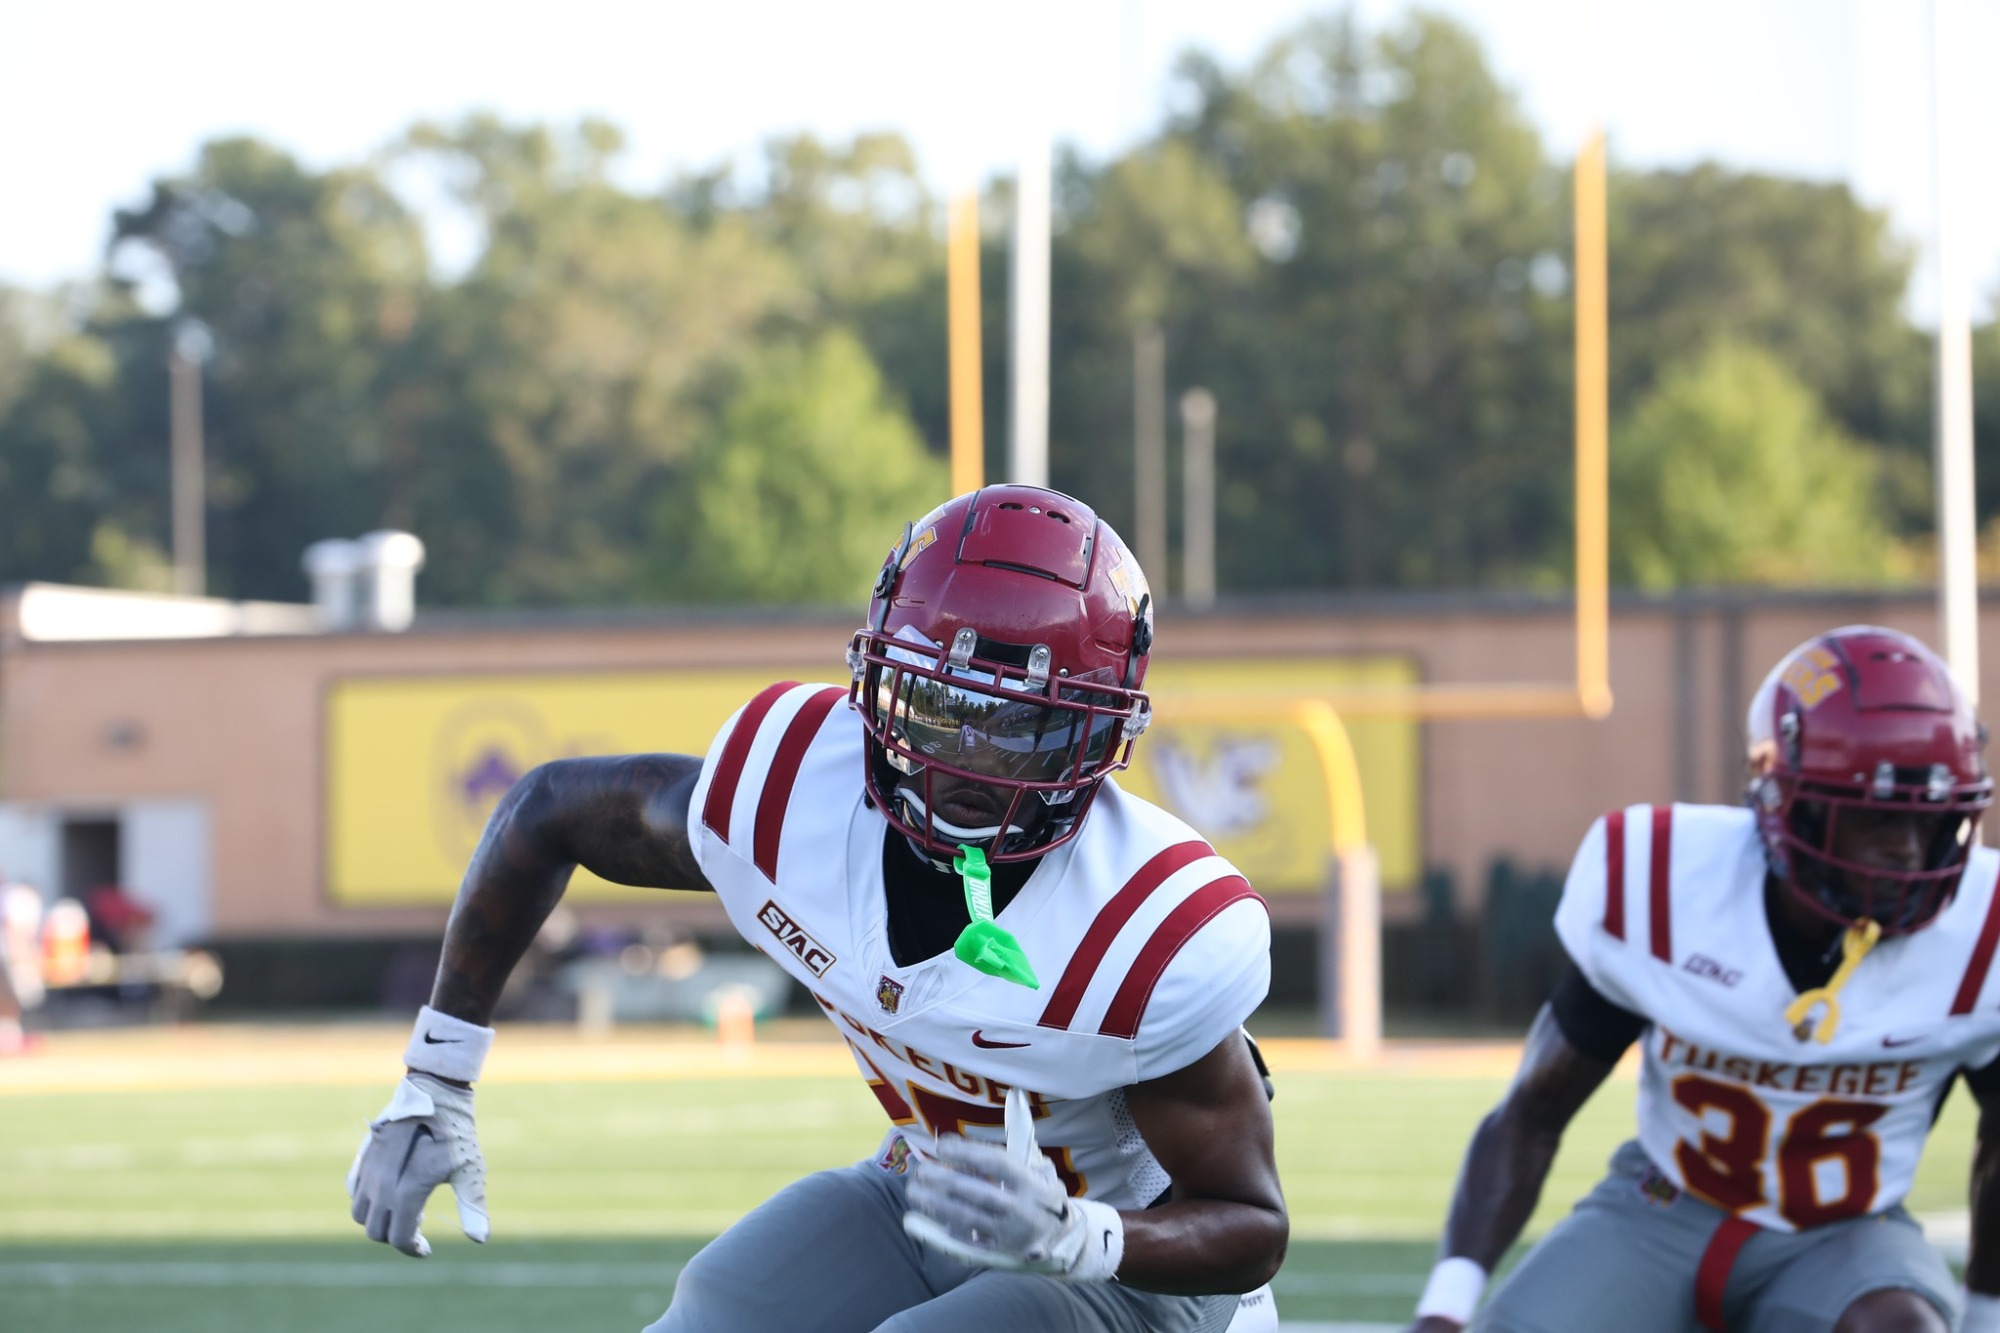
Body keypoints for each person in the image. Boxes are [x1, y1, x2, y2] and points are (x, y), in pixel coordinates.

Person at [347, 484, 1288, 1333]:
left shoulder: (1142, 926)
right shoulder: (795, 798)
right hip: (923, 1192)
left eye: (1022, 727)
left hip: (1130, 1274)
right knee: (718, 1307)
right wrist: (438, 1073)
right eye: (937, 705)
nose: (969, 760)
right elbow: (547, 808)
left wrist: (1081, 1234)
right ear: (874, 683)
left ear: (1101, 735)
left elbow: (1250, 1222)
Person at [1410, 625, 2000, 1333]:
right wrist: (1445, 1307)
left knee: (1898, 1328)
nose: (1907, 852)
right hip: (1659, 1209)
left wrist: (1986, 1314)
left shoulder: (1982, 928)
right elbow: (1533, 1113)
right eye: (1876, 818)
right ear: (1790, 804)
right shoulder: (1667, 886)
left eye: (1931, 822)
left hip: (1847, 1238)